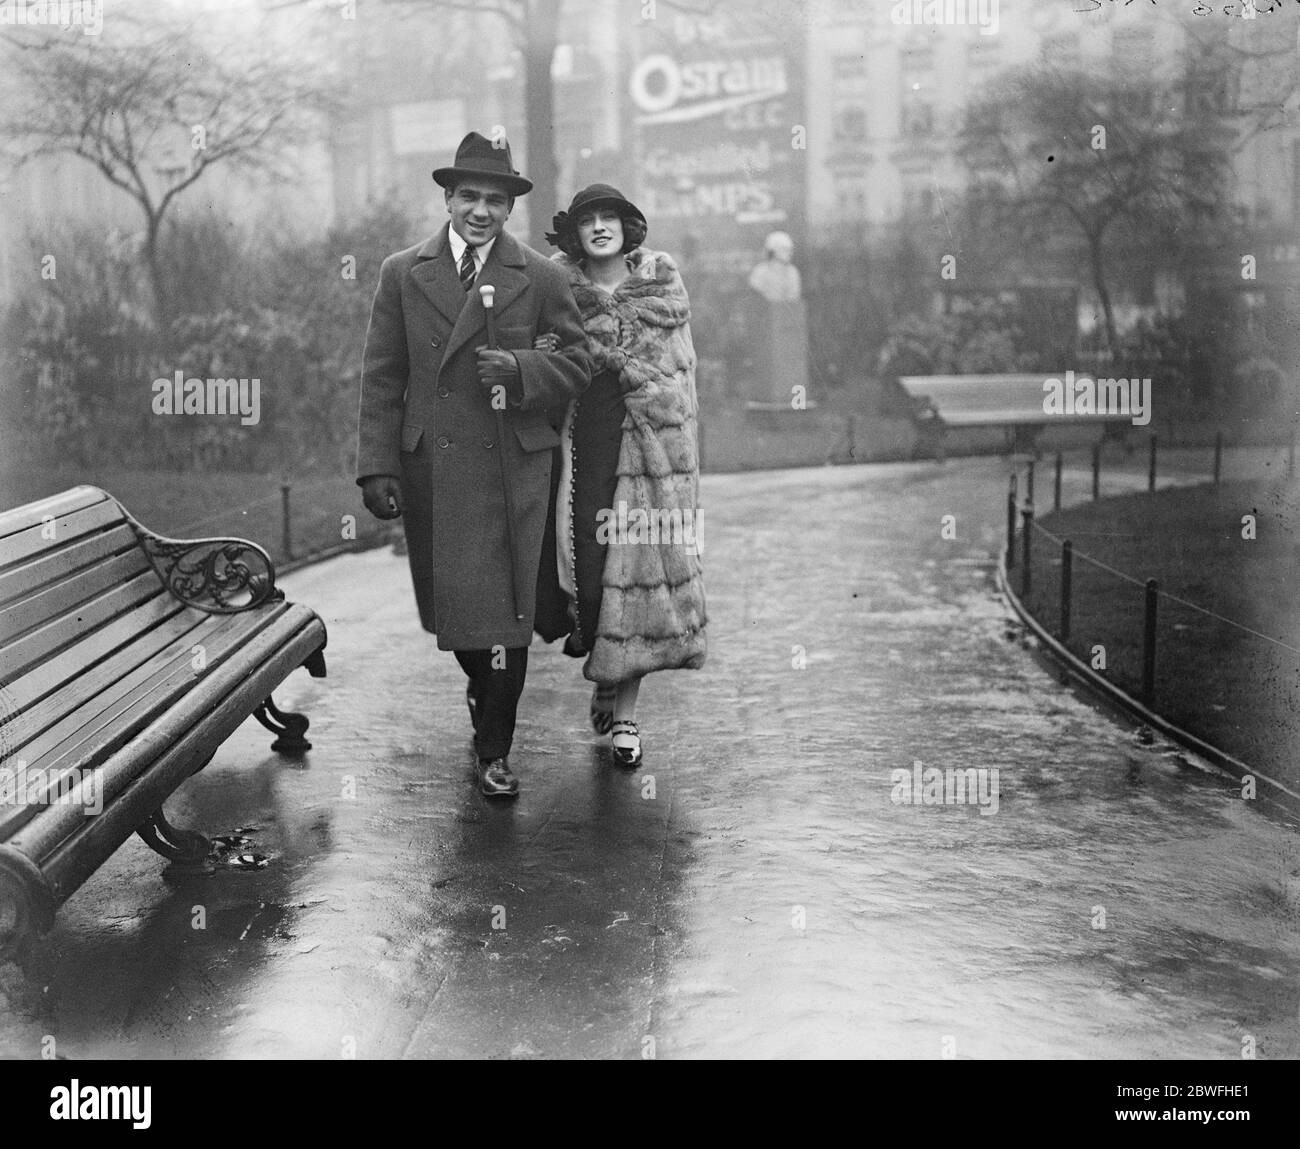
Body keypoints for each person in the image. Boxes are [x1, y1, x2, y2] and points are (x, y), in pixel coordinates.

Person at [355, 131, 591, 799]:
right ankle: (480, 688)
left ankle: (495, 747)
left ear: (509, 208)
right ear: (448, 199)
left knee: (506, 613)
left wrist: (520, 368)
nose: (480, 211)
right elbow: (381, 375)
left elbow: (579, 361)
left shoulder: (539, 275)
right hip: (434, 466)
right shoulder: (402, 272)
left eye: (494, 199)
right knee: (455, 614)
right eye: (468, 197)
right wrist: (377, 467)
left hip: (512, 468)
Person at [540, 183, 707, 767]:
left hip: (647, 451)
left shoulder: (661, 288)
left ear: (628, 228)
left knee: (634, 570)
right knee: (586, 568)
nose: (601, 228)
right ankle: (605, 675)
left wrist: (639, 383)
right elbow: (545, 361)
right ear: (576, 234)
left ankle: (627, 715)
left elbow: (680, 378)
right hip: (582, 443)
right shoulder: (557, 289)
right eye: (589, 221)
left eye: (611, 218)